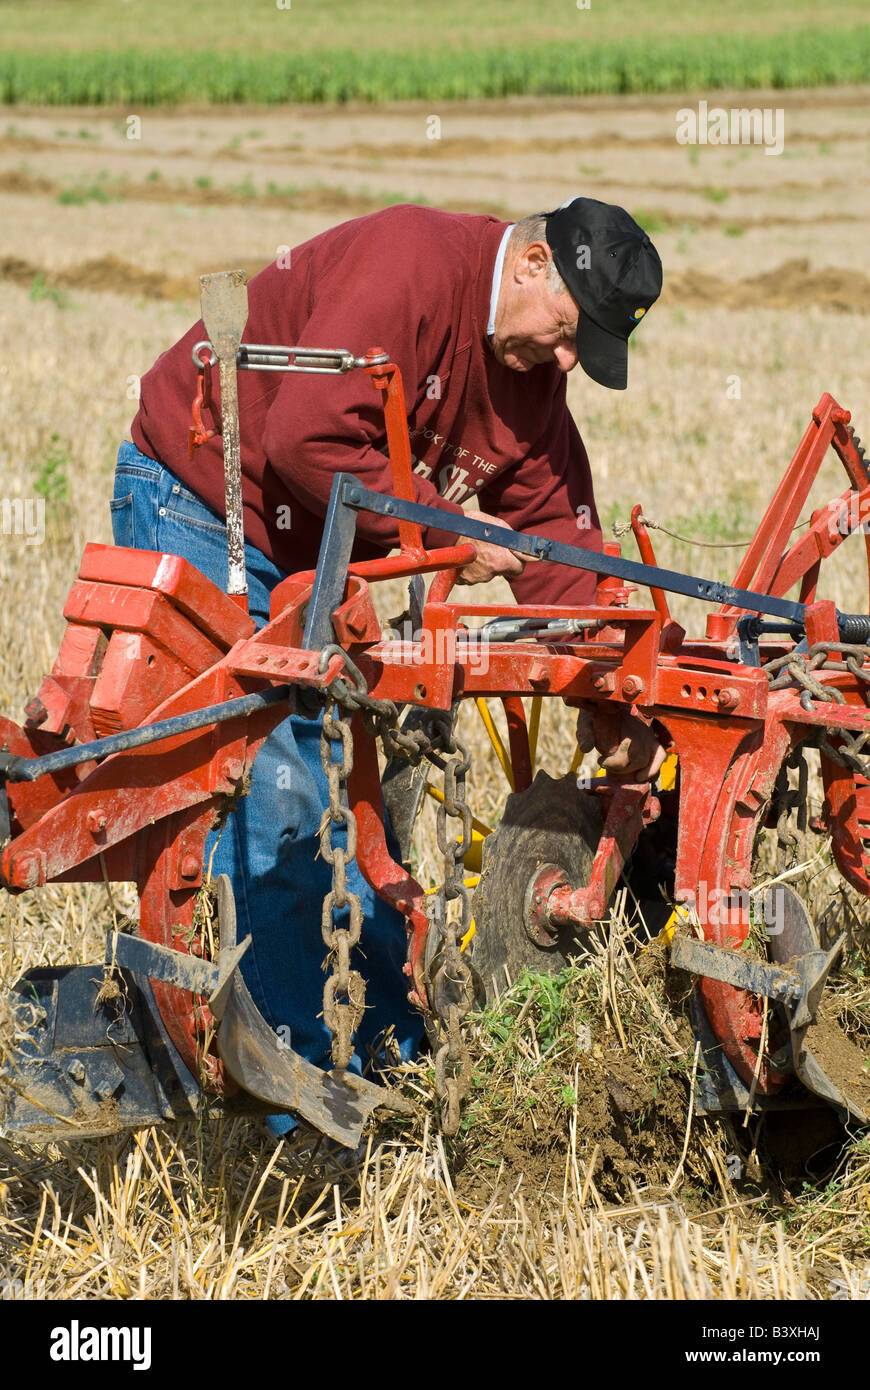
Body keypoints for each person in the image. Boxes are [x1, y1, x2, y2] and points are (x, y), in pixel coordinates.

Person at [114, 197, 662, 1128]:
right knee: (283, 793)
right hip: (210, 507)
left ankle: (384, 1049)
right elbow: (301, 440)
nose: (569, 361)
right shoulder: (414, 261)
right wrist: (445, 522)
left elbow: (555, 540)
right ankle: (303, 1095)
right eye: (569, 332)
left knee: (358, 807)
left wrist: (616, 685)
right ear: (531, 262)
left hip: (315, 552)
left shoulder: (531, 381)